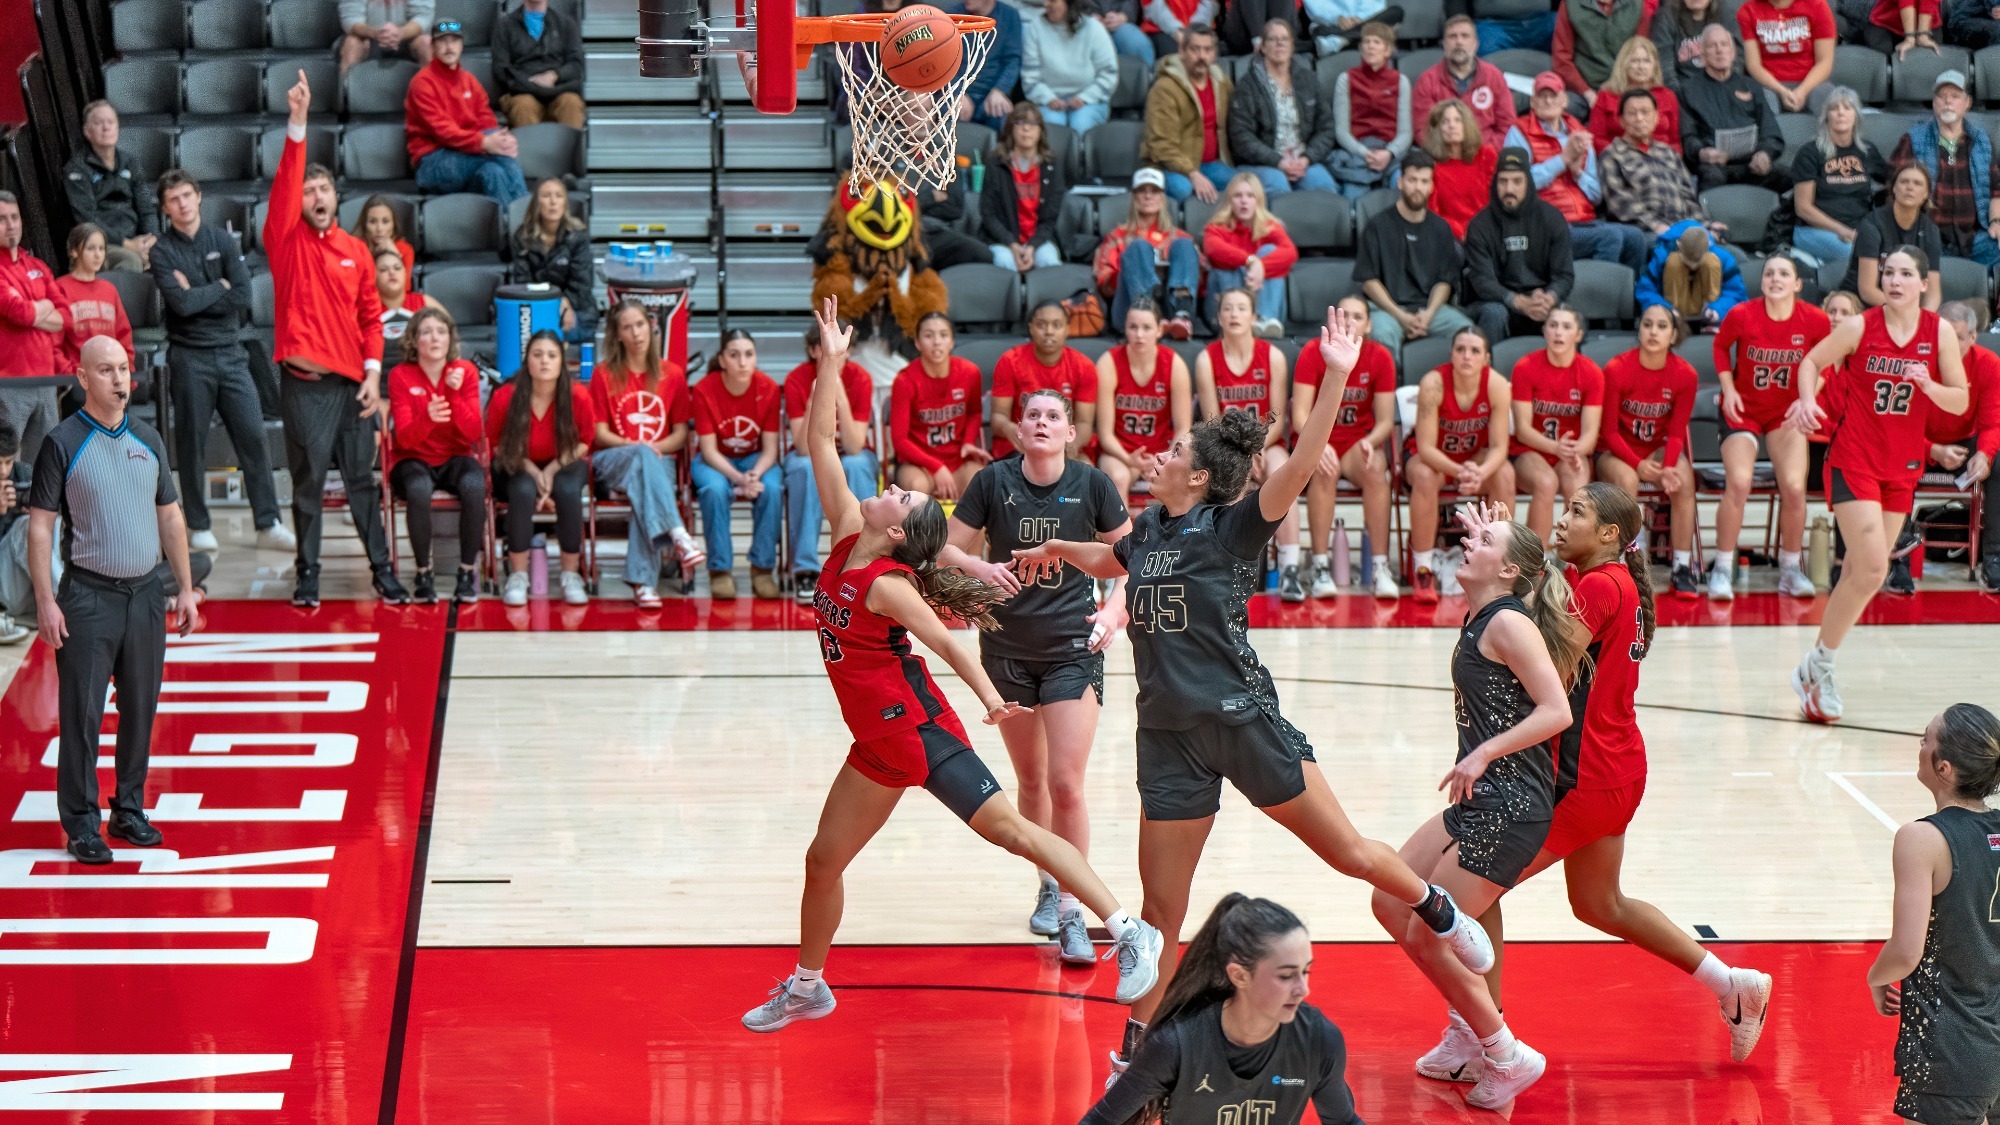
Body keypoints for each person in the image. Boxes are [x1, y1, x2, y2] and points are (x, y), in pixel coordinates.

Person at [1015, 308, 1497, 1085]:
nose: (1161, 454)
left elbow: (1302, 463)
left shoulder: (1232, 527)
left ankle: (1437, 907)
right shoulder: (1149, 530)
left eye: (1175, 451)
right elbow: (1109, 559)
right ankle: (1134, 1056)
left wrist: (1335, 372)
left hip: (1243, 721)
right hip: (1168, 738)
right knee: (1159, 916)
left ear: (1198, 477)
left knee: (1348, 853)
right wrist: (1055, 548)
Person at [741, 297, 1165, 1036]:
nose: (889, 488)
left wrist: (990, 699)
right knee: (822, 861)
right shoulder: (847, 531)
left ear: (897, 531)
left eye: (899, 495)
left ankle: (1128, 929)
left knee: (1016, 829)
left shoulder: (890, 585)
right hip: (875, 743)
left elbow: (949, 644)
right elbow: (819, 442)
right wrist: (832, 362)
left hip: (918, 731)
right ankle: (808, 984)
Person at [1444, 486, 1777, 1081]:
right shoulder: (1605, 582)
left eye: (1577, 513)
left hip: (1586, 775)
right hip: (1616, 767)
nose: (1562, 520)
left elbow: (1544, 665)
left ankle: (1482, 1037)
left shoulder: (1600, 587)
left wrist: (1508, 571)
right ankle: (1732, 984)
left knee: (1479, 890)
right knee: (1600, 904)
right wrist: (1509, 560)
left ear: (1608, 536)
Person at [1371, 509, 1580, 1110]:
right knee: (1389, 899)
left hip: (1510, 805)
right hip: (1480, 798)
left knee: (1429, 932)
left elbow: (1557, 711)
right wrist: (1488, 533)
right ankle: (1468, 1030)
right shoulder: (1484, 613)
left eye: (1484, 541)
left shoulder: (1510, 623)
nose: (1468, 543)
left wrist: (1484, 752)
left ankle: (1505, 1053)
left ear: (1509, 570)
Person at [943, 388, 1130, 958]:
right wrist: (976, 566)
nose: (1043, 423)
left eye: (1054, 416)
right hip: (1006, 650)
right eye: (1033, 416)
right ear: (1018, 431)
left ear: (1070, 432)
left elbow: (1135, 559)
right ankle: (1049, 882)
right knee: (1030, 782)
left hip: (1072, 647)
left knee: (1065, 783)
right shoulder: (991, 482)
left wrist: (1114, 610)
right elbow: (943, 550)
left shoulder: (1093, 484)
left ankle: (1073, 908)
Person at [28, 335, 197, 865]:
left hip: (145, 595)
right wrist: (45, 601)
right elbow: (40, 528)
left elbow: (169, 515)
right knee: (82, 715)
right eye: (106, 370)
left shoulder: (147, 437)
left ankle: (128, 809)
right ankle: (82, 824)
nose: (119, 379)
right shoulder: (62, 442)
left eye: (123, 368)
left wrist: (185, 587)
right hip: (87, 597)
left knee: (140, 708)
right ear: (82, 378)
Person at [1789, 246, 1970, 697]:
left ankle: (1814, 664)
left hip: (1902, 466)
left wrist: (1928, 385)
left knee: (1861, 572)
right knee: (1872, 570)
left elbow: (1960, 400)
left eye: (1906, 273)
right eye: (1888, 272)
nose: (1895, 280)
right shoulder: (1859, 326)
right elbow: (1810, 362)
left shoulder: (1939, 332)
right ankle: (1822, 665)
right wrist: (1808, 399)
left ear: (1923, 283)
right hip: (1854, 458)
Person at [265, 71, 403, 608]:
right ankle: (308, 576)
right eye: (308, 190)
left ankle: (383, 572)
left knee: (362, 484)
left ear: (336, 197)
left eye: (323, 188)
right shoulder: (285, 240)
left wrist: (373, 374)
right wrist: (298, 122)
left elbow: (372, 318)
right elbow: (287, 180)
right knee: (308, 486)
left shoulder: (356, 250)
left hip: (352, 386)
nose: (316, 195)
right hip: (305, 386)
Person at [1077, 895, 1365, 1125]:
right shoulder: (1177, 1043)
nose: (1303, 989)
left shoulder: (1317, 1039)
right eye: (1286, 975)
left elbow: (1344, 1120)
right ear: (1240, 976)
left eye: (1305, 971)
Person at [1866, 704, 2000, 1125]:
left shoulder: (1921, 839)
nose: (1920, 744)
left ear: (1944, 768)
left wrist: (1876, 977)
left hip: (1953, 1050)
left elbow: (1906, 952)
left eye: (1927, 738)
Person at [149, 170, 290, 558]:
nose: (182, 204)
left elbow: (243, 296)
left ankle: (268, 523)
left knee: (253, 435)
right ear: (165, 208)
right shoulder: (161, 251)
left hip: (230, 353)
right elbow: (181, 305)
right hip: (188, 356)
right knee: (191, 443)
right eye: (173, 199)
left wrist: (199, 293)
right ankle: (199, 526)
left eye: (187, 195)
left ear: (199, 196)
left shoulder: (223, 241)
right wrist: (218, 289)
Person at [1711, 254, 1829, 599]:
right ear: (1761, 282)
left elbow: (1828, 362)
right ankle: (1722, 567)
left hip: (1785, 413)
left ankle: (1791, 569)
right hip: (1744, 409)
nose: (1775, 278)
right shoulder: (1742, 314)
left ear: (1797, 284)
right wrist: (1729, 389)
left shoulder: (1815, 319)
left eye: (1783, 274)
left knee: (1794, 487)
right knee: (1739, 482)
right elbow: (1720, 347)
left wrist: (1807, 398)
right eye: (1769, 274)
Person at [590, 299, 702, 607]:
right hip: (612, 460)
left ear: (651, 327)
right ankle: (677, 533)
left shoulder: (672, 374)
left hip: (658, 461)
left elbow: (680, 434)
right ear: (617, 335)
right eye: (627, 327)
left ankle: (644, 584)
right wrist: (636, 447)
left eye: (640, 325)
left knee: (644, 482)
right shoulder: (603, 374)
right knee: (642, 463)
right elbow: (599, 434)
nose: (636, 333)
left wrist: (652, 449)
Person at [1197, 288, 1302, 599]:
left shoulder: (1273, 357)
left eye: (1241, 308)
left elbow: (1277, 417)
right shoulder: (1206, 359)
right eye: (1227, 308)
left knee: (1284, 472)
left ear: (1253, 316)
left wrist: (1256, 447)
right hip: (1226, 446)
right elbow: (1212, 420)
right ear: (1219, 317)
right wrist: (1240, 453)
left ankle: (1291, 569)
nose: (1234, 314)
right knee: (1230, 478)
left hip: (1267, 444)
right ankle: (1226, 568)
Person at [1294, 293, 1400, 599]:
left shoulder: (1380, 357)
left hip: (1355, 443)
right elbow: (1299, 415)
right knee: (1323, 470)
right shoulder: (1312, 352)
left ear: (1369, 325)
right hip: (1319, 441)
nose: (1350, 321)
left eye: (1358, 316)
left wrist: (1370, 442)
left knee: (1376, 469)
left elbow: (1385, 421)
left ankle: (1380, 567)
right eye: (1345, 314)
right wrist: (1318, 444)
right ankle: (1320, 567)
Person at [1406, 327, 1516, 602]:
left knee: (1504, 473)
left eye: (1475, 350)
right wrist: (1459, 472)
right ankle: (1423, 569)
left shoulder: (1497, 385)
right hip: (1433, 458)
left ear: (1486, 358)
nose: (1467, 356)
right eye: (1460, 349)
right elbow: (1425, 448)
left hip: (1473, 458)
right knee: (1424, 476)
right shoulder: (1433, 383)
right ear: (1451, 354)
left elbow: (1499, 447)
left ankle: (1501, 564)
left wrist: (1481, 472)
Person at [385, 307, 485, 604]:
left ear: (450, 338)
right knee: (418, 488)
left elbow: (473, 433)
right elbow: (404, 438)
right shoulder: (401, 375)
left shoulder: (465, 371)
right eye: (426, 332)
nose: (435, 338)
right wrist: (427, 417)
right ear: (414, 341)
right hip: (412, 459)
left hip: (455, 456)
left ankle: (466, 572)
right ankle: (423, 573)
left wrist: (453, 395)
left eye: (441, 332)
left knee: (475, 485)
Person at [1601, 304, 1702, 595]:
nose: (1653, 331)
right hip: (1616, 452)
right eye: (1647, 324)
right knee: (1628, 479)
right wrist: (1638, 464)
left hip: (1657, 449)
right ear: (1639, 330)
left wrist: (1668, 468)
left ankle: (1681, 566)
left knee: (1683, 479)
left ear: (1673, 335)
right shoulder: (1617, 368)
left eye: (1661, 326)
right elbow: (1609, 433)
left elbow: (1676, 432)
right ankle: (1629, 563)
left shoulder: (1685, 374)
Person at [487, 330, 594, 607]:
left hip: (565, 462)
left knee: (567, 489)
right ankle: (518, 575)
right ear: (527, 361)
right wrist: (535, 473)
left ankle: (571, 574)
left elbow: (585, 441)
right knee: (523, 489)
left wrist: (552, 469)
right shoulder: (506, 396)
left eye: (551, 355)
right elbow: (497, 444)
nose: (545, 361)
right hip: (517, 462)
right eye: (537, 355)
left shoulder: (578, 395)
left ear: (561, 362)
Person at [1506, 72, 1650, 273]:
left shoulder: (1578, 133)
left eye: (1553, 95)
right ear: (1533, 102)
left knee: (1635, 237)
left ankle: (1629, 292)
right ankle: (1596, 292)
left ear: (1564, 100)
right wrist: (1562, 160)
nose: (1548, 101)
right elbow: (1516, 185)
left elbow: (1596, 196)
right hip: (1544, 225)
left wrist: (1577, 172)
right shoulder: (1518, 132)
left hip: (1583, 220)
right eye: (1542, 96)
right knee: (1610, 238)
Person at [783, 317, 874, 597]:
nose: (835, 355)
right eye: (825, 348)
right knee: (802, 468)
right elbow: (802, 447)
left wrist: (840, 397)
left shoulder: (860, 378)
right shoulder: (796, 379)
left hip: (849, 453)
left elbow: (855, 446)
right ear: (813, 351)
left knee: (857, 464)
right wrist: (816, 399)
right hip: (810, 455)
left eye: (841, 349)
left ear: (849, 350)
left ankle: (864, 560)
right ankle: (806, 569)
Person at [1355, 150, 1477, 357]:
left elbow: (1445, 281)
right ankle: (1391, 380)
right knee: (1381, 332)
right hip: (1387, 310)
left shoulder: (1441, 228)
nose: (1418, 187)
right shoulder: (1378, 225)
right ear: (1401, 182)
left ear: (1431, 186)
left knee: (1466, 332)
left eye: (1424, 181)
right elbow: (1368, 281)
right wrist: (1400, 315)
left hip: (1430, 310)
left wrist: (1428, 315)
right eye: (1412, 180)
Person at [691, 329, 784, 600]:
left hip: (756, 458)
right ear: (722, 360)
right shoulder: (704, 389)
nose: (742, 362)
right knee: (714, 490)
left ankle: (762, 568)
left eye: (748, 354)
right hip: (715, 459)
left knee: (772, 488)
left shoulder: (767, 388)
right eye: (734, 355)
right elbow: (708, 451)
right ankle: (719, 570)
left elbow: (770, 449)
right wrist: (739, 479)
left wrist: (754, 474)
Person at [405, 21, 529, 206]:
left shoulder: (470, 81)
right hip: (433, 161)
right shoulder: (422, 83)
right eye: (442, 41)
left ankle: (513, 221)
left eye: (454, 41)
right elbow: (443, 131)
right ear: (432, 46)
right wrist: (484, 143)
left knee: (493, 172)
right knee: (501, 157)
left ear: (461, 45)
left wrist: (500, 140)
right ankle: (526, 218)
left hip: (468, 154)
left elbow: (486, 120)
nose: (449, 47)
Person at [1509, 307, 1604, 541]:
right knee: (1546, 482)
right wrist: (1555, 448)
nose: (1558, 332)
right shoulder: (1525, 366)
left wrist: (1574, 451)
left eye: (1566, 326)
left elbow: (1590, 435)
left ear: (1578, 334)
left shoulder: (1592, 373)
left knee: (1578, 490)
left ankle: (1571, 555)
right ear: (1544, 331)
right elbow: (1522, 430)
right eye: (1553, 325)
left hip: (1570, 452)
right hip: (1530, 450)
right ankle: (1536, 556)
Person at [1465, 147, 1576, 343]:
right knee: (1494, 312)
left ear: (1528, 183)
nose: (1509, 189)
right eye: (1503, 181)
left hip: (1540, 300)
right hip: (1497, 301)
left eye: (1517, 181)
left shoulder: (1552, 218)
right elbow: (1483, 282)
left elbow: (1564, 275)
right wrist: (1518, 301)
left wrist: (1550, 298)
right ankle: (1489, 363)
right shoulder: (1479, 225)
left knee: (1566, 318)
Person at [1891, 72, 2000, 269]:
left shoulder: (1981, 141)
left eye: (1955, 96)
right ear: (1934, 103)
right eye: (1942, 96)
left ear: (1967, 103)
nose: (1948, 101)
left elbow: (1996, 190)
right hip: (1926, 237)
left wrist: (1996, 222)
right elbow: (1893, 188)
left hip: (1975, 238)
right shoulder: (1914, 139)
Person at [1927, 301, 2000, 590]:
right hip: (1921, 442)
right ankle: (1899, 558)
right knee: (1893, 452)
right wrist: (1931, 449)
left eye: (1956, 337)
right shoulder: (1918, 362)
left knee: (1999, 462)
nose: (1947, 344)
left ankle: (1994, 556)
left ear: (1972, 337)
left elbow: (1992, 423)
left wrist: (1984, 454)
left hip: (1965, 443)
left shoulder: (1988, 363)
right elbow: (1901, 427)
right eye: (1942, 335)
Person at [1228, 20, 1339, 197]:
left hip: (1302, 160)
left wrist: (1307, 158)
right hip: (1263, 163)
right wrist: (1278, 161)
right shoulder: (1247, 85)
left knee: (1324, 186)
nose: (1279, 44)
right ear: (1263, 47)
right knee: (1277, 185)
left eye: (1285, 39)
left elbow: (1326, 128)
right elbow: (1241, 136)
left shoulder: (1308, 80)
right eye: (1273, 39)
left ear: (1292, 46)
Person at [1095, 299, 1193, 498]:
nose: (1139, 335)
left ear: (1159, 330)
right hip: (1119, 452)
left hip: (1163, 450)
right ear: (1125, 329)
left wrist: (1165, 460)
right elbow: (1105, 434)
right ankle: (1121, 522)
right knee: (1118, 477)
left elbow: (1183, 428)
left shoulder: (1174, 365)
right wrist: (1129, 460)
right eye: (1133, 327)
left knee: (1184, 477)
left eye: (1146, 328)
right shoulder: (1108, 363)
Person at [1792, 87, 1889, 279]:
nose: (1841, 113)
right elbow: (1803, 208)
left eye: (1847, 107)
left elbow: (1892, 183)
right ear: (1826, 116)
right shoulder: (1810, 153)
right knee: (1866, 256)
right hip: (1814, 231)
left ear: (1856, 115)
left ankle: (1825, 264)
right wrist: (1842, 231)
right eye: (1834, 108)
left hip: (1859, 231)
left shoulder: (1867, 151)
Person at [890, 313, 988, 502]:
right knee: (916, 489)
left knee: (981, 483)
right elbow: (900, 440)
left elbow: (975, 412)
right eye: (929, 335)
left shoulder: (970, 373)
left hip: (958, 460)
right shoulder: (905, 380)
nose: (936, 342)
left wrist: (968, 442)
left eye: (943, 335)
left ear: (951, 342)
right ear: (917, 343)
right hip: (919, 464)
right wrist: (936, 467)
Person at [1094, 168, 1202, 337]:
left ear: (1163, 197)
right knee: (1138, 248)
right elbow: (1104, 285)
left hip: (1171, 308)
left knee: (1184, 245)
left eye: (1154, 191)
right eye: (1141, 191)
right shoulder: (1117, 237)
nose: (1148, 196)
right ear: (1133, 197)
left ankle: (1182, 315)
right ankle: (1148, 314)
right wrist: (1134, 272)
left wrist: (1167, 275)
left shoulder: (1182, 237)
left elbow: (1200, 281)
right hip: (1131, 312)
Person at [1680, 27, 1790, 192]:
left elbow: (1770, 130)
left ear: (1732, 53)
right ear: (1702, 55)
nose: (1719, 50)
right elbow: (1688, 135)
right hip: (1714, 164)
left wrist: (1765, 153)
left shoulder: (1751, 85)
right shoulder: (1688, 89)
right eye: (1712, 46)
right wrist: (1702, 152)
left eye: (1724, 45)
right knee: (1713, 177)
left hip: (1751, 162)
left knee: (1792, 177)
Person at [0, 192, 66, 461]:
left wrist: (34, 309)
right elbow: (21, 314)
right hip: (8, 384)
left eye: (14, 217)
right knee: (6, 467)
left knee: (46, 465)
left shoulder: (38, 265)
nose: (11, 225)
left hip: (46, 381)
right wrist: (42, 306)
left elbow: (64, 316)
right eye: (2, 219)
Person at [990, 300, 1099, 460]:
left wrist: (1071, 446)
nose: (1049, 331)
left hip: (1065, 445)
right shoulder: (1010, 361)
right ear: (1031, 328)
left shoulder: (1084, 366)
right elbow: (998, 416)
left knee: (1086, 469)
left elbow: (1084, 422)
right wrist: (1010, 428)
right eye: (1041, 325)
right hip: (1020, 445)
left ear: (1067, 329)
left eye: (1057, 325)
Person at [1141, 23, 1235, 205]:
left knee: (1243, 187)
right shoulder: (1164, 88)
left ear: (1214, 54)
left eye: (1207, 50)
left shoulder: (1221, 82)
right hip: (1171, 167)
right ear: (1182, 51)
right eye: (1195, 49)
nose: (1202, 56)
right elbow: (1160, 144)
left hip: (1212, 165)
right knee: (1182, 188)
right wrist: (1192, 174)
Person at [61, 103, 156, 272]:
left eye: (111, 122)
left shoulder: (130, 162)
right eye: (99, 123)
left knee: (170, 254)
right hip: (99, 244)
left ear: (117, 128)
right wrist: (127, 244)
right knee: (130, 261)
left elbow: (147, 209)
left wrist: (151, 239)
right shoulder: (77, 169)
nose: (106, 128)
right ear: (87, 131)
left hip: (136, 239)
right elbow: (87, 219)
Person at [1601, 89, 1709, 236]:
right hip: (1646, 233)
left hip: (1685, 229)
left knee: (1729, 249)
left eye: (1645, 112)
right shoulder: (1612, 155)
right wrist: (1656, 226)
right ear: (1621, 120)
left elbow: (1689, 198)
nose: (1639, 118)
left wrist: (1706, 225)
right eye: (1632, 113)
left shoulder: (1669, 152)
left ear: (1656, 117)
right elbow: (1620, 204)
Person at [1201, 175, 1296, 336]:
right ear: (1229, 201)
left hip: (1266, 313)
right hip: (1223, 310)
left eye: (1250, 196)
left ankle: (1263, 319)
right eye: (1238, 196)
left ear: (1258, 200)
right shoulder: (1215, 228)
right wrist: (1250, 261)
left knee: (1269, 251)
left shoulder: (1270, 227)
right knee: (1226, 258)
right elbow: (1213, 249)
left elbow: (1290, 252)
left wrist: (1261, 265)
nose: (1244, 201)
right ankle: (1244, 320)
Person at [1846, 163, 1948, 307]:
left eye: (1917, 183)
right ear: (1894, 188)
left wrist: (1925, 317)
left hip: (1907, 309)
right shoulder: (1871, 224)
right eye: (1904, 181)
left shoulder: (1931, 230)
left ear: (1926, 194)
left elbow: (1933, 293)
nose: (1910, 187)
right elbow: (1868, 291)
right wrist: (1905, 312)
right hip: (1864, 306)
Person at [1329, 22, 1412, 199]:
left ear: (1388, 50)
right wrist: (1365, 153)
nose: (1370, 46)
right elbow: (1341, 131)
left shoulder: (1401, 81)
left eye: (1377, 42)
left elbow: (1406, 132)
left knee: (1403, 190)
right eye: (1366, 42)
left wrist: (1389, 153)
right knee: (1353, 197)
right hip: (1357, 152)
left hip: (1391, 152)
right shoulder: (1346, 79)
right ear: (1360, 48)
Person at [981, 103, 1066, 273]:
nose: (1026, 129)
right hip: (1002, 241)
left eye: (1033, 123)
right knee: (1004, 262)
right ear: (1011, 128)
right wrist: (1011, 243)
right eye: (1020, 123)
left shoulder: (1051, 165)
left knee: (1049, 261)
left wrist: (1032, 246)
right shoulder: (996, 163)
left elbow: (1050, 218)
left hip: (1038, 241)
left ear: (1041, 130)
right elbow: (988, 214)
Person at [506, 178, 594, 341]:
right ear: (536, 203)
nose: (553, 202)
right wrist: (552, 303)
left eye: (559, 196)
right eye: (546, 196)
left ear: (565, 203)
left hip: (576, 307)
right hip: (536, 304)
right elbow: (522, 281)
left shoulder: (578, 237)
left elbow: (582, 284)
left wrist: (566, 303)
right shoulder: (522, 237)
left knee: (564, 331)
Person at [1413, 17, 1517, 149]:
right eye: (1452, 36)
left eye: (1465, 36)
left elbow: (1507, 126)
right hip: (1442, 155)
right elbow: (1422, 131)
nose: (1459, 42)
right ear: (1444, 44)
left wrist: (1484, 153)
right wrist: (1451, 153)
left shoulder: (1494, 76)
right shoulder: (1427, 80)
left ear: (1476, 44)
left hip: (1487, 154)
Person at [1023, 0, 1117, 136]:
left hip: (1090, 101)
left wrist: (1085, 98)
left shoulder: (1093, 28)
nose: (1046, 4)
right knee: (1053, 127)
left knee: (1081, 124)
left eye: (1053, 1)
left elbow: (1109, 73)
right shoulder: (1035, 28)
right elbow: (1030, 77)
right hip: (1047, 101)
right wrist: (1048, 99)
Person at [1555, 0, 1660, 120]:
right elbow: (1561, 58)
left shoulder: (1636, 5)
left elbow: (1642, 53)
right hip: (1584, 90)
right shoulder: (1570, 4)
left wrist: (1621, 93)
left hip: (1624, 88)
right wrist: (1588, 93)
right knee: (1562, 106)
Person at [53, 224, 135, 375]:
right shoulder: (59, 288)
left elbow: (123, 336)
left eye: (101, 249)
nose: (98, 255)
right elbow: (53, 342)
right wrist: (69, 375)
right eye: (90, 248)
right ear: (74, 251)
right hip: (77, 378)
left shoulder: (109, 290)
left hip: (112, 377)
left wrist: (126, 373)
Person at [1639, 221, 1746, 334]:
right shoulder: (1662, 255)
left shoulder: (1721, 257)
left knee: (1711, 263)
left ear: (1707, 247)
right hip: (1673, 312)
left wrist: (1718, 310)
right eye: (1688, 261)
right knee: (1673, 263)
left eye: (1697, 261)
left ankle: (1711, 319)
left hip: (1708, 313)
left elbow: (1736, 292)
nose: (1693, 266)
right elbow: (1646, 289)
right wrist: (1664, 309)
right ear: (1679, 244)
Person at [491, 0, 585, 129]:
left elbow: (576, 65)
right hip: (520, 91)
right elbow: (501, 69)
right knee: (523, 105)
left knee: (571, 102)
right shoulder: (505, 25)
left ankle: (569, 142)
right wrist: (529, 83)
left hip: (558, 89)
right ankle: (529, 143)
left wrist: (555, 76)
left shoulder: (566, 24)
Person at [1586, 36, 1682, 157]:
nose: (1641, 67)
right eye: (1635, 61)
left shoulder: (1667, 95)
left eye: (1646, 61)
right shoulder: (1606, 95)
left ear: (1655, 65)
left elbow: (1675, 141)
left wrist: (1667, 158)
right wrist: (1623, 156)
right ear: (1624, 64)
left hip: (1660, 159)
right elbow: (1596, 139)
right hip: (1619, 159)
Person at [1738, 0, 1838, 112]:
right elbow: (1753, 65)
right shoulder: (1748, 10)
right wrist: (1781, 91)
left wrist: (1802, 91)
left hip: (1811, 83)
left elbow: (1824, 61)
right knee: (1763, 98)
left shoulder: (1817, 5)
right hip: (1769, 85)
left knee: (1826, 95)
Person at [1424, 99, 1502, 239]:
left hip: (1488, 232)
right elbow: (1433, 213)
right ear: (1437, 129)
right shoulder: (1431, 166)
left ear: (1467, 124)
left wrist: (1481, 232)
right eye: (1445, 121)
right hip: (1451, 238)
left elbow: (1498, 200)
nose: (1451, 126)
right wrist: (1461, 232)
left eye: (1457, 120)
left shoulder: (1486, 155)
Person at [949, 0, 1024, 132]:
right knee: (946, 111)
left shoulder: (1010, 16)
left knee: (1002, 113)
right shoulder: (951, 15)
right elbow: (944, 61)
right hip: (956, 91)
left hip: (991, 93)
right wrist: (957, 93)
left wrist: (1000, 90)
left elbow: (1013, 60)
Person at [0, 424, 43, 640]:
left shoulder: (24, 473)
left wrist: (41, 510)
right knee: (26, 525)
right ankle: (63, 601)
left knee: (43, 523)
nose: (3, 471)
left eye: (8, 462)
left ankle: (60, 596)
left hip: (24, 586)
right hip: (4, 588)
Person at [1653, 0, 1738, 89]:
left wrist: (1727, 88)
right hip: (1683, 88)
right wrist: (1682, 94)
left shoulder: (1725, 13)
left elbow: (1736, 59)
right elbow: (1665, 68)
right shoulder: (1666, 17)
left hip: (1722, 86)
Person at [339, 0, 433, 73]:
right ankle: (345, 89)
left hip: (407, 40)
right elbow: (351, 21)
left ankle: (432, 90)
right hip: (368, 39)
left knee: (426, 43)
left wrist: (400, 33)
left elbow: (422, 18)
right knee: (352, 43)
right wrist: (375, 33)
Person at [373, 248, 441, 346]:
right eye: (383, 270)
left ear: (405, 273)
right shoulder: (366, 310)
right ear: (373, 276)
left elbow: (449, 335)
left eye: (397, 268)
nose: (392, 272)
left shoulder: (425, 303)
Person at [352, 195, 416, 279]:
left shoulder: (404, 250)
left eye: (385, 221)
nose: (379, 229)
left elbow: (404, 285)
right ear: (364, 225)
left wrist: (395, 256)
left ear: (394, 224)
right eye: (372, 222)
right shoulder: (354, 249)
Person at [1862, 0, 1942, 55]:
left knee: (1930, 56)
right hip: (1887, 23)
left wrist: (1923, 35)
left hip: (1927, 25)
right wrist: (1909, 38)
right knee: (1879, 55)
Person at [1097, 0, 1154, 65]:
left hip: (1121, 23)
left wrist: (1123, 16)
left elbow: (1132, 3)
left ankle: (1146, 70)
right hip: (1090, 23)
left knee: (1134, 43)